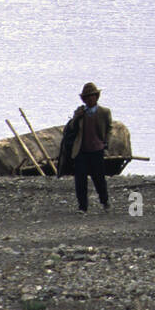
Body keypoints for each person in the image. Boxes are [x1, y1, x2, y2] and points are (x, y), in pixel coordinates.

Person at [62, 82, 111, 213]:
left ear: (96, 97)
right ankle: (82, 207)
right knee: (80, 181)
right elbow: (71, 128)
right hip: (81, 151)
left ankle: (104, 201)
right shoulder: (80, 112)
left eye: (92, 96)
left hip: (97, 150)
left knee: (99, 178)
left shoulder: (104, 112)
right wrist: (76, 118)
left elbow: (108, 129)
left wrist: (106, 143)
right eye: (87, 97)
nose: (89, 99)